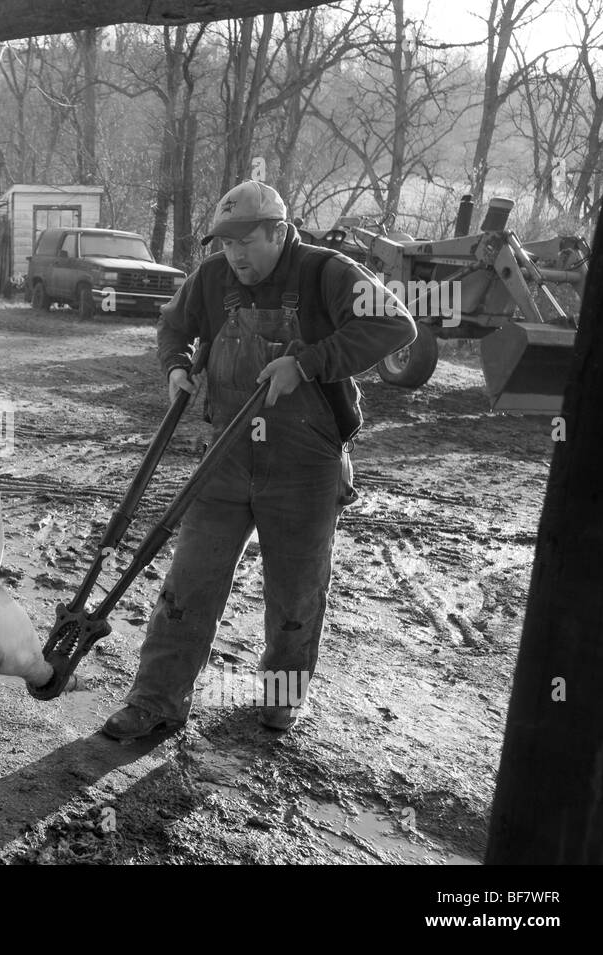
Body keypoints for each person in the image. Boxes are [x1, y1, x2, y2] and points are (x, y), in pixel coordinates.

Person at [103, 181, 416, 739]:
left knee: (295, 590)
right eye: (224, 244)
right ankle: (155, 700)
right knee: (189, 579)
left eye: (244, 243)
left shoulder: (327, 272)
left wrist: (311, 361)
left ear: (278, 231)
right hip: (226, 453)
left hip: (306, 462)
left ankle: (280, 700)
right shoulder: (213, 279)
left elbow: (396, 325)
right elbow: (174, 323)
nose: (234, 256)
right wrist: (176, 365)